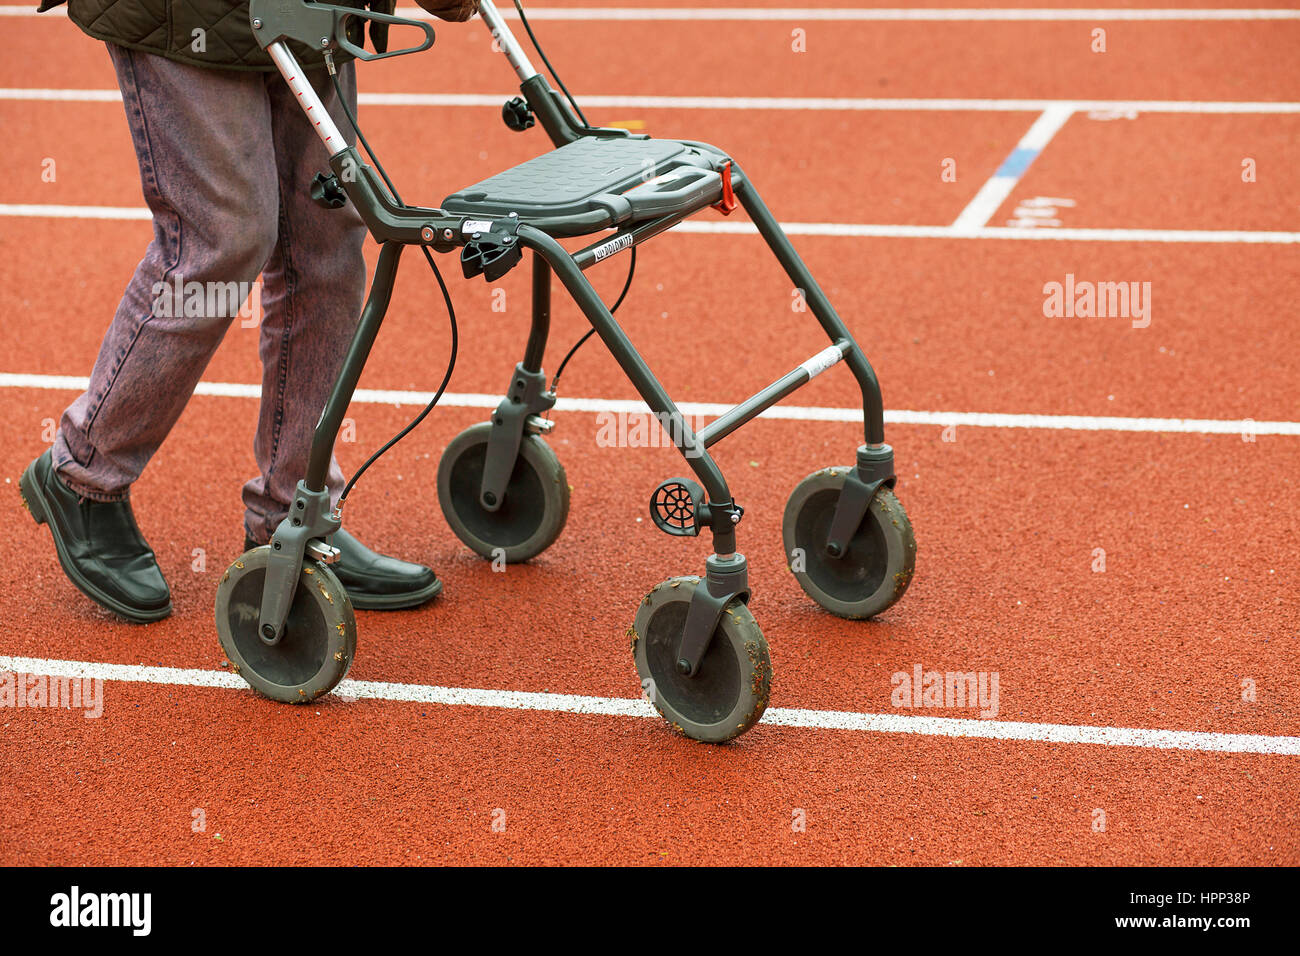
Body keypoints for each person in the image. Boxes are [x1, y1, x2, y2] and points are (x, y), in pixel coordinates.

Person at [21, 0, 479, 622]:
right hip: (184, 13)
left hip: (310, 8)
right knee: (223, 240)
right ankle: (84, 473)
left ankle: (293, 511)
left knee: (327, 246)